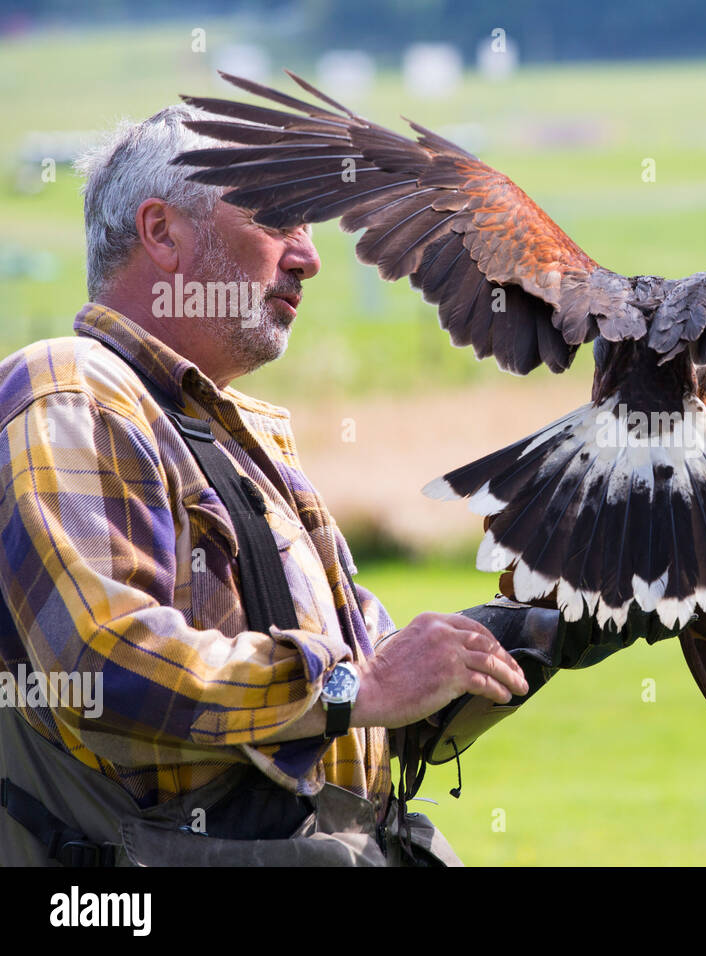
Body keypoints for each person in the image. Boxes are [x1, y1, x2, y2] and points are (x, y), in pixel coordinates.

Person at [0, 104, 531, 866]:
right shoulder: (70, 389)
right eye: (280, 219)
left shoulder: (235, 437)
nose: (308, 258)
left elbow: (383, 706)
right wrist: (349, 687)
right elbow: (100, 662)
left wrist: (557, 610)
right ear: (162, 234)